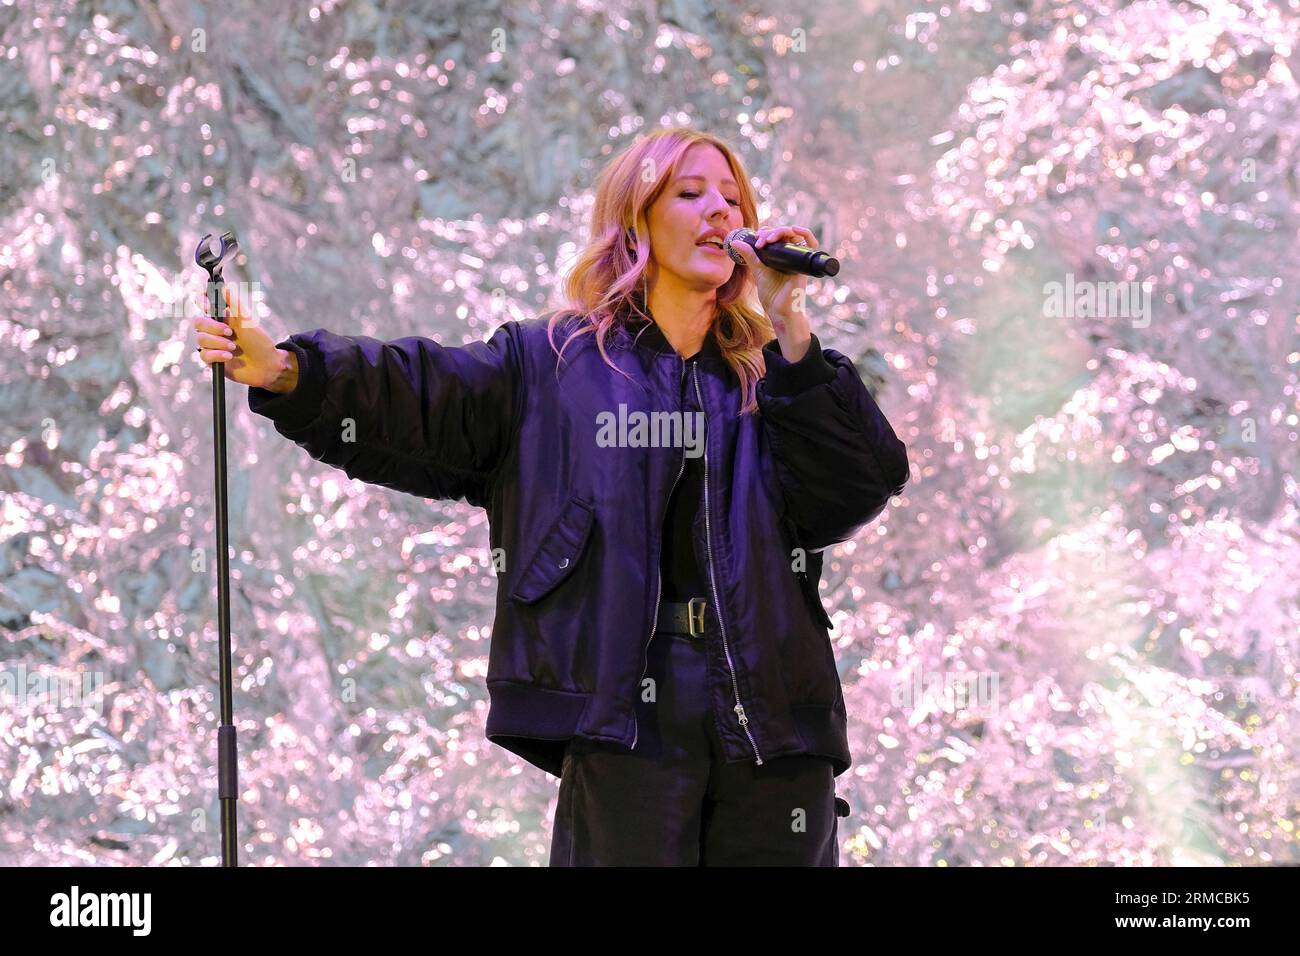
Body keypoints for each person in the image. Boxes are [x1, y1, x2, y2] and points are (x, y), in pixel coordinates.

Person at [193, 126, 909, 866]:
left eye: (733, 199)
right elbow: (420, 396)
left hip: (772, 720)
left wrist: (790, 328)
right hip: (626, 711)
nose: (718, 213)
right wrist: (287, 370)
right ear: (638, 216)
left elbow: (860, 486)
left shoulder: (776, 381)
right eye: (690, 194)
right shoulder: (554, 365)